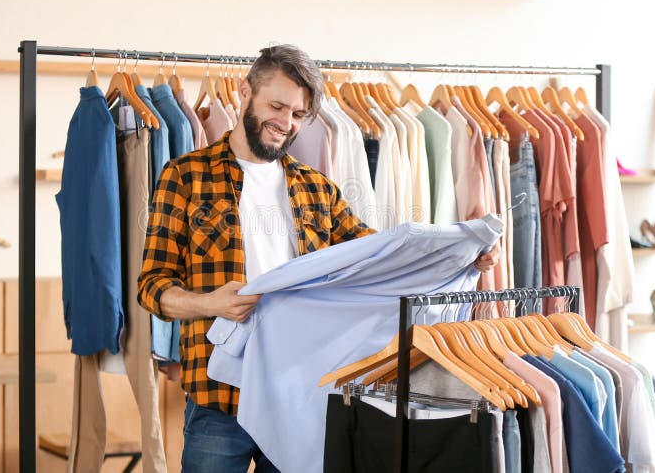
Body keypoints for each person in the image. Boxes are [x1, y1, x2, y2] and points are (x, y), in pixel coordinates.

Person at [138, 44, 500, 472]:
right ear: (244, 92)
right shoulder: (185, 176)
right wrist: (211, 304)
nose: (285, 123)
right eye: (277, 106)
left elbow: (380, 259)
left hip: (299, 393)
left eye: (297, 115)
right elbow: (153, 287)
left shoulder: (316, 188)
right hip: (219, 394)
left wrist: (459, 258)